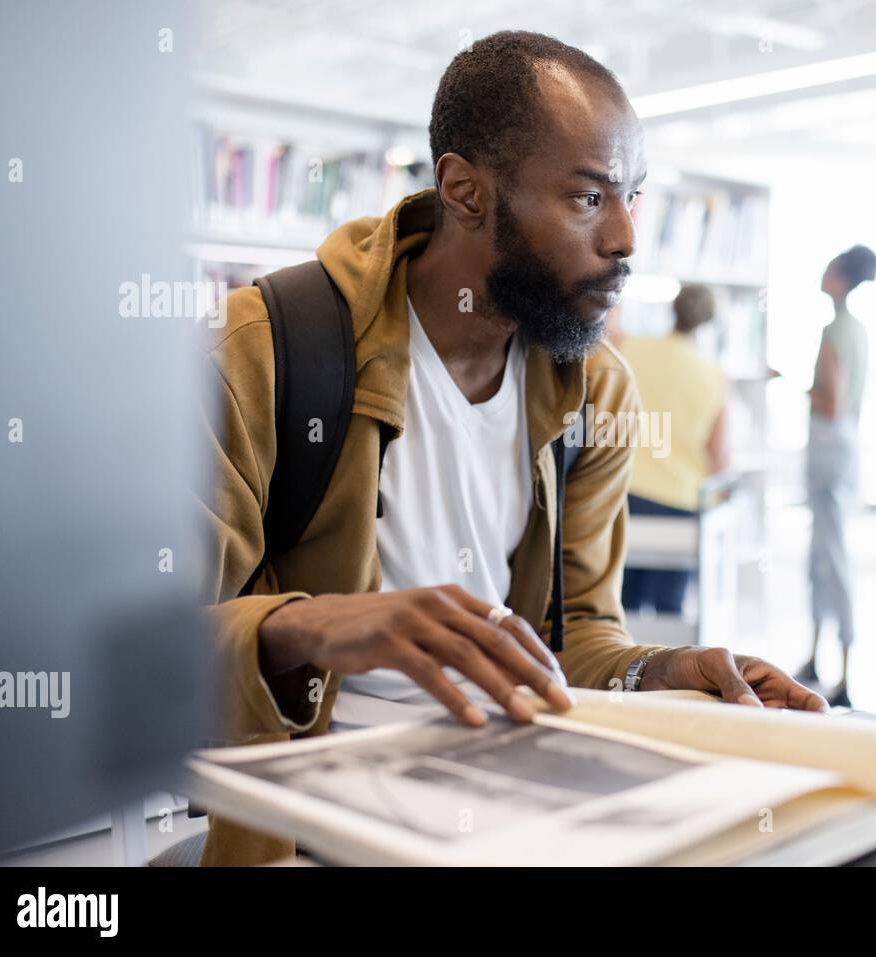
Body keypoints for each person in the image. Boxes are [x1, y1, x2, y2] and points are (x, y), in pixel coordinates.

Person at [198, 31, 828, 865]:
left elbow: (578, 641)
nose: (628, 238)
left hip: (519, 807)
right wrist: (317, 627)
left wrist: (665, 668)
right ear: (464, 190)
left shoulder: (594, 389)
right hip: (314, 830)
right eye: (587, 198)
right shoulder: (265, 348)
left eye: (633, 196)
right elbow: (148, 649)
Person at [798, 245, 876, 707]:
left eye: (829, 268)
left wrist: (796, 384)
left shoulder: (834, 330)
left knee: (829, 557)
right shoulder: (859, 331)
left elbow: (830, 399)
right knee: (825, 554)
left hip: (829, 446)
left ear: (841, 278)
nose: (822, 274)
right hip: (845, 446)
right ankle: (818, 657)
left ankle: (841, 669)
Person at [618, 285, 728, 616]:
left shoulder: (628, 348)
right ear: (709, 323)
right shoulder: (714, 376)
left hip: (623, 493)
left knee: (619, 603)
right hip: (680, 505)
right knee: (669, 609)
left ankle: (617, 667)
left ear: (672, 310)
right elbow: (718, 453)